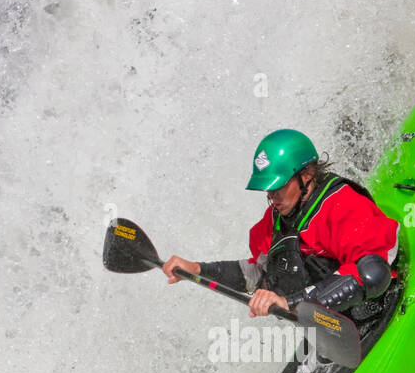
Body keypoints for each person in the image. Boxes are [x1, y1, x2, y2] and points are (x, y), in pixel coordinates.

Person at [162, 129, 400, 323]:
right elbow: (258, 273)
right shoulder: (276, 219)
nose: (272, 196)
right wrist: (196, 269)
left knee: (371, 272)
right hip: (334, 323)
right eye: (268, 189)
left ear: (306, 174)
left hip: (378, 305)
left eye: (279, 186)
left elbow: (373, 273)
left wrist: (290, 303)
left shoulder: (342, 206)